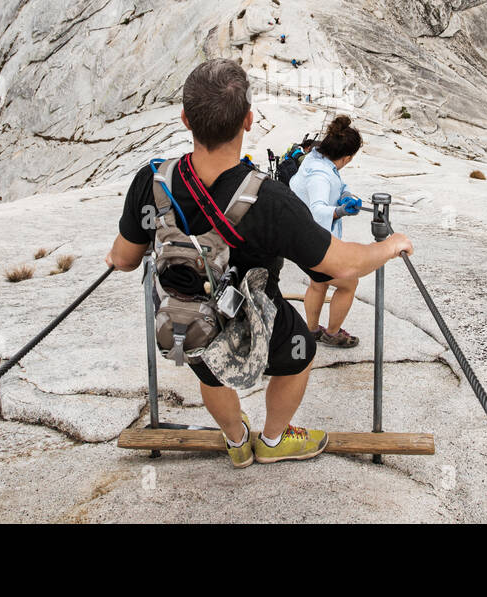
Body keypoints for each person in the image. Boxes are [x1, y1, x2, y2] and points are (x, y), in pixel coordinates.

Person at [106, 60, 412, 467]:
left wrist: (112, 256)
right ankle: (272, 440)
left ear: (184, 119)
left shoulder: (152, 181)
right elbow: (342, 266)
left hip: (187, 319)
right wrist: (390, 245)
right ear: (248, 120)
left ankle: (236, 441)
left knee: (208, 368)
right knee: (299, 354)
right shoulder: (271, 201)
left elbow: (125, 259)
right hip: (259, 317)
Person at [288, 115, 365, 348]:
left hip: (300, 237)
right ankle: (332, 333)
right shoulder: (320, 175)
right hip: (312, 240)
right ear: (348, 156)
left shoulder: (316, 158)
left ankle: (311, 330)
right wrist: (341, 210)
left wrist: (346, 195)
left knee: (318, 282)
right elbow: (318, 209)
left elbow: (338, 184)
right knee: (349, 283)